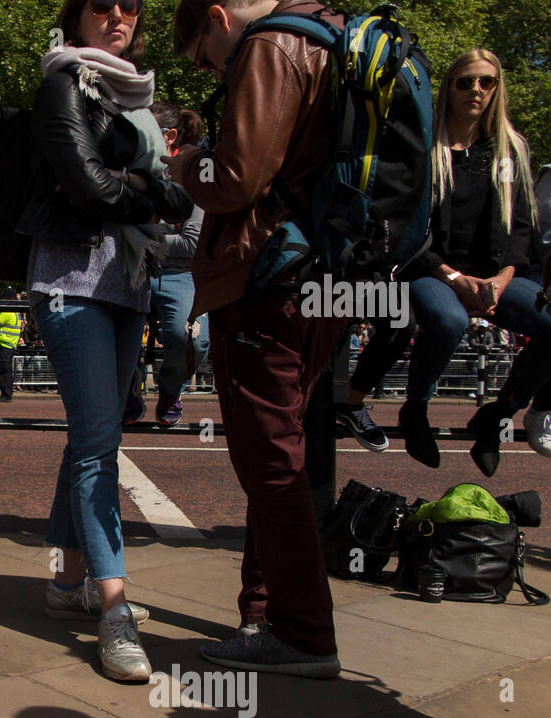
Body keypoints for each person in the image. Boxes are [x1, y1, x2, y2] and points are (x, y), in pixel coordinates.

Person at [166, 0, 352, 679]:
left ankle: (302, 631)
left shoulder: (270, 47)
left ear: (216, 17)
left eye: (207, 61)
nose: (215, 74)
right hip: (326, 277)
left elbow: (236, 177)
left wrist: (185, 164)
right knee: (281, 450)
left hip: (269, 278)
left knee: (270, 459)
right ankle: (264, 611)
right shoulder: (330, 33)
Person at [20, 0, 192, 682]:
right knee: (97, 445)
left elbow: (176, 199)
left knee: (94, 437)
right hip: (70, 276)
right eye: (103, 3)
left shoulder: (135, 96)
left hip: (128, 280)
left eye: (130, 5)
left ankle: (65, 584)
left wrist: (141, 186)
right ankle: (113, 608)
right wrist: (146, 188)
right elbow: (86, 185)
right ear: (79, 15)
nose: (117, 13)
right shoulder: (63, 82)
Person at [348, 49, 551, 471]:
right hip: (428, 267)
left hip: (492, 273)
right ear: (448, 88)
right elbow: (406, 225)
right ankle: (416, 409)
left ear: (498, 89)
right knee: (448, 320)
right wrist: (455, 277)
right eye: (465, 82)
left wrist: (502, 278)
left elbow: (521, 229)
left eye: (486, 82)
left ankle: (499, 413)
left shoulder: (510, 149)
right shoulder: (424, 145)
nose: (476, 91)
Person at [148, 100, 209, 427]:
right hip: (134, 269)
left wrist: (142, 236)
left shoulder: (193, 176)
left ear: (169, 137)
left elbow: (192, 243)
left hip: (180, 273)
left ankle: (171, 389)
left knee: (192, 338)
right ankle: (128, 388)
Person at [0, 287, 22, 402]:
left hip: (5, 344)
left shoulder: (7, 311)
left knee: (4, 370)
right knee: (5, 369)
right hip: (9, 344)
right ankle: (6, 393)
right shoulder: (15, 312)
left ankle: (6, 395)